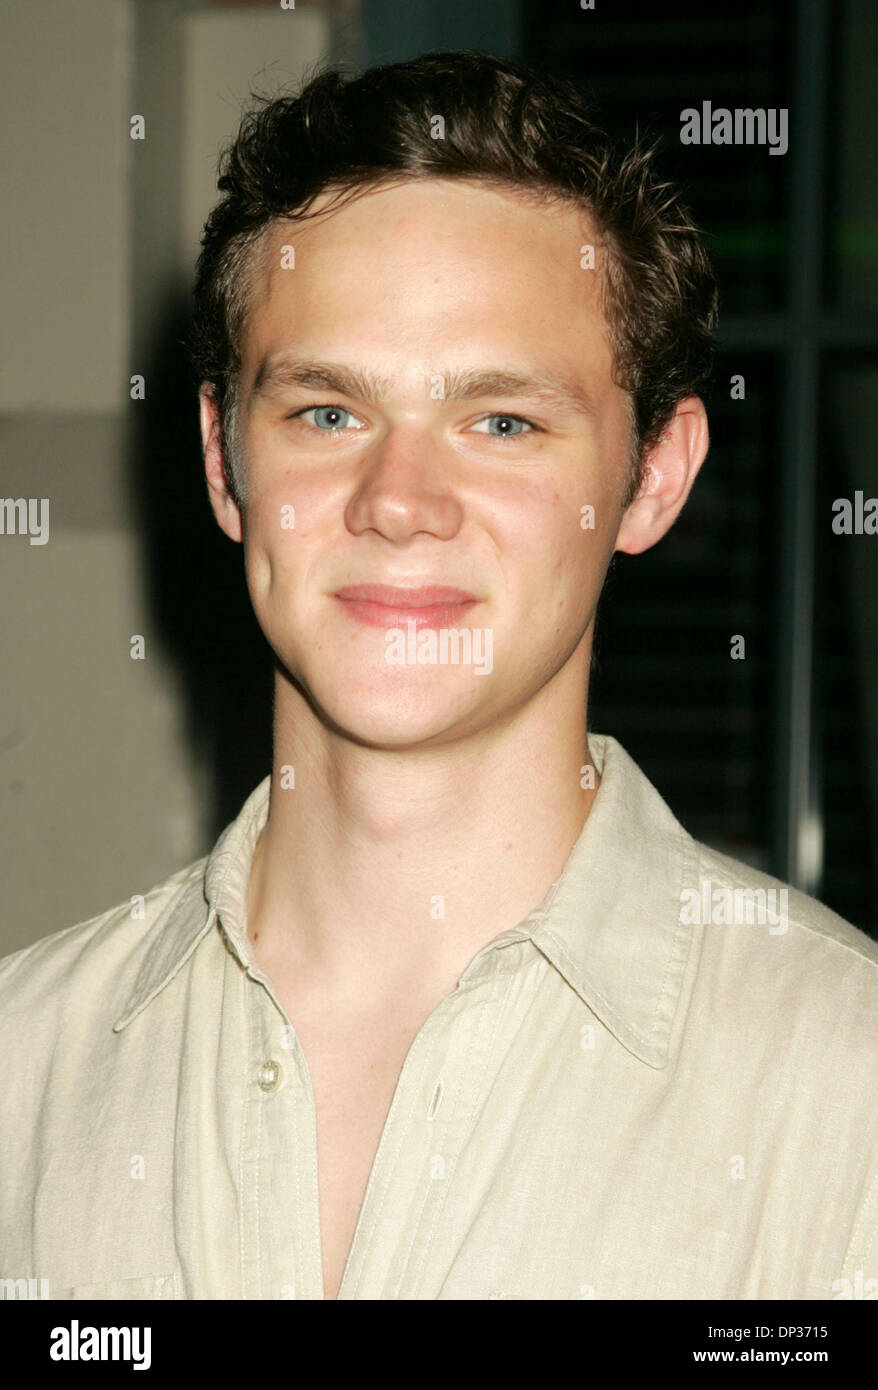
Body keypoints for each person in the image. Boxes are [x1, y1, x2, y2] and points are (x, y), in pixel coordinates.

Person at [1, 51, 876, 1302]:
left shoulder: (846, 1099)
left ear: (653, 477)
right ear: (219, 459)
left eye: (501, 422)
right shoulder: (20, 1076)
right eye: (326, 412)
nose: (398, 502)